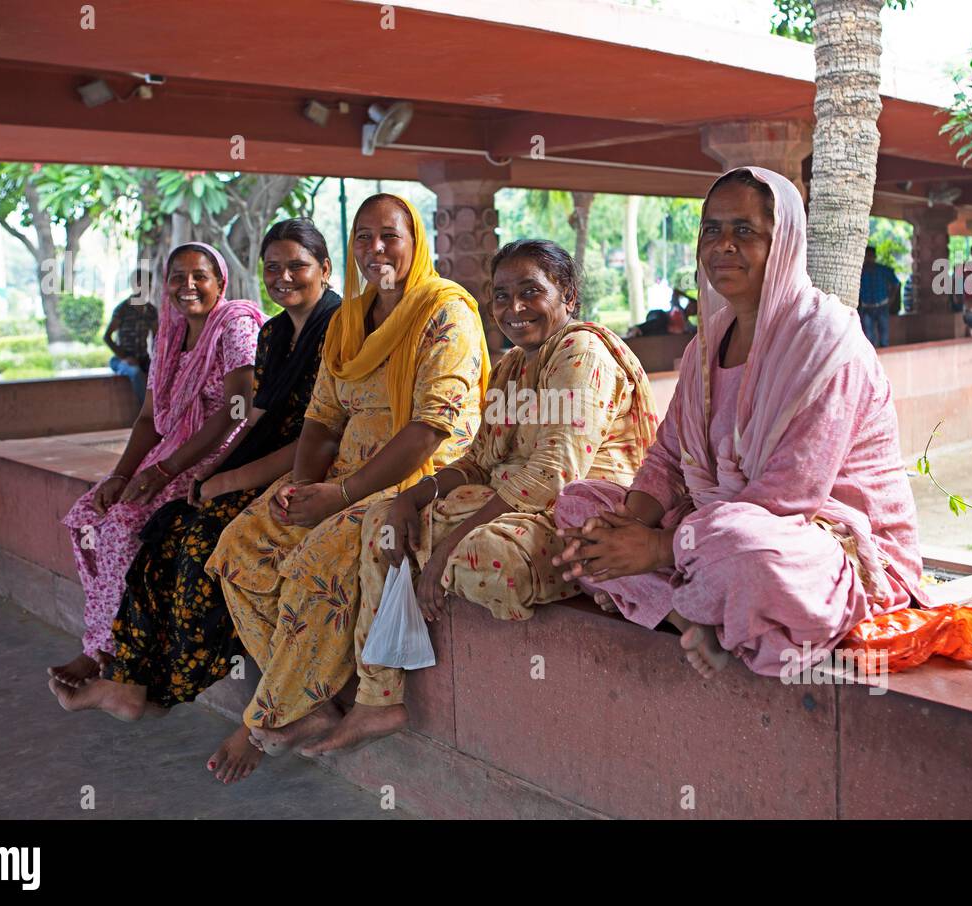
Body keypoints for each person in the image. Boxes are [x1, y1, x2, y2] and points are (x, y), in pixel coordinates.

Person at [552, 167, 926, 681]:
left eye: (744, 231)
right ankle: (694, 617)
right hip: (711, 529)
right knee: (578, 507)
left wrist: (659, 548)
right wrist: (630, 527)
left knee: (744, 550)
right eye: (712, 230)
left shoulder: (828, 346)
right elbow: (666, 457)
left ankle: (688, 602)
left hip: (823, 547)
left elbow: (787, 499)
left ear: (785, 242)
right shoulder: (705, 345)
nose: (723, 246)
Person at [317, 239, 660, 753]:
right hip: (513, 505)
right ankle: (378, 696)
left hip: (583, 518)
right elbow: (479, 461)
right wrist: (413, 497)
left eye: (530, 291)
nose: (514, 308)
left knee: (485, 559)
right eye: (501, 296)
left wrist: (448, 546)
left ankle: (439, 582)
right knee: (383, 520)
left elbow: (554, 477)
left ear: (566, 294)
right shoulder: (512, 368)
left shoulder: (581, 351)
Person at [50, 221, 341, 784]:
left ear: (325, 269)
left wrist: (215, 478)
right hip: (253, 463)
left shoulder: (332, 329)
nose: (283, 277)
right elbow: (256, 417)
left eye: (297, 266)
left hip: (310, 471)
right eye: (273, 267)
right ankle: (130, 678)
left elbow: (313, 433)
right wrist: (187, 479)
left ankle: (236, 709)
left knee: (203, 548)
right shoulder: (278, 333)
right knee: (165, 530)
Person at [207, 193, 488, 760]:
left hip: (415, 479)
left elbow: (429, 431)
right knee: (239, 547)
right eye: (364, 236)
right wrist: (300, 488)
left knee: (315, 561)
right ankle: (309, 704)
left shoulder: (444, 312)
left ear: (416, 242)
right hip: (340, 478)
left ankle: (262, 720)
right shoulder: (350, 321)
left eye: (390, 235)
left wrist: (339, 496)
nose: (376, 247)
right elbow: (322, 419)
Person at [49, 242, 265, 693]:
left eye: (199, 276)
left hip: (217, 452)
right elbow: (150, 418)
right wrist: (120, 475)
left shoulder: (235, 326)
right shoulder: (166, 337)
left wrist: (165, 472)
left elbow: (237, 408)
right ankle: (109, 639)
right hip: (171, 451)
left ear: (220, 282)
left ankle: (111, 651)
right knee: (90, 515)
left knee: (125, 526)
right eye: (177, 277)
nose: (188, 286)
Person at [103, 270, 159, 402]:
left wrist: (157, 361)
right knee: (135, 373)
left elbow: (158, 338)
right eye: (142, 284)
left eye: (149, 284)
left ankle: (164, 414)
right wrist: (125, 357)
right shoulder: (122, 309)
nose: (147, 288)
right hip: (121, 360)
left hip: (144, 359)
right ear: (134, 285)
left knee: (163, 373)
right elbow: (107, 337)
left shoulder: (151, 311)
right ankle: (146, 415)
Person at [857, 245, 899, 348]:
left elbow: (896, 284)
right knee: (869, 338)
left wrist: (892, 298)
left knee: (884, 337)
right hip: (866, 307)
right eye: (867, 256)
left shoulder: (883, 270)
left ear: (875, 257)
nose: (869, 259)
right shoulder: (859, 272)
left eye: (871, 256)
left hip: (882, 306)